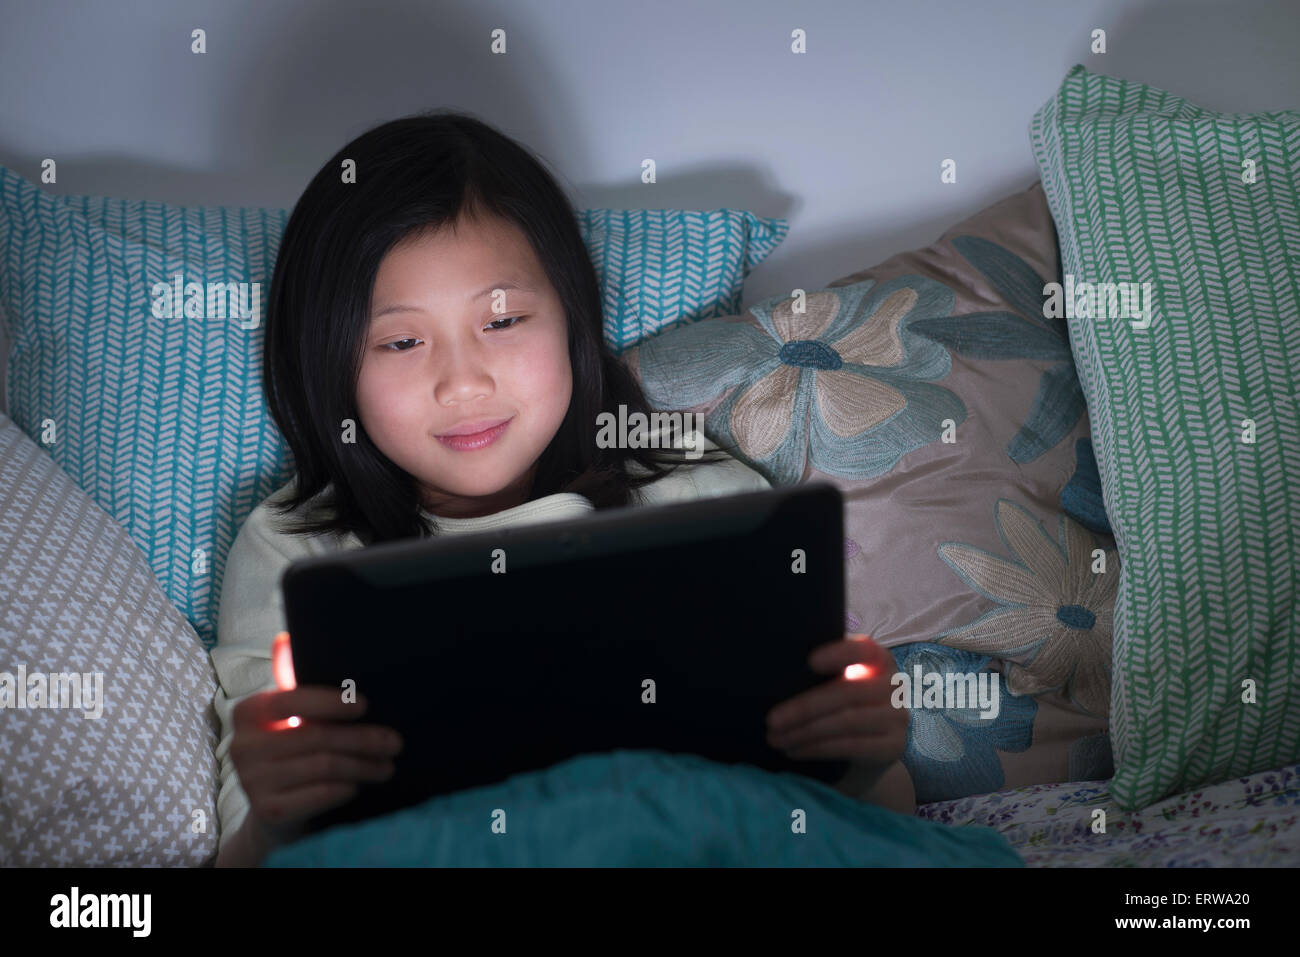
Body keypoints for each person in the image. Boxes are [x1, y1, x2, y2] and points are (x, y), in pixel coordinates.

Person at [210, 110, 912, 867]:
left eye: (504, 319)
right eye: (402, 341)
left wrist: (867, 761)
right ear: (328, 363)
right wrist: (276, 822)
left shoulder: (706, 505)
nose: (464, 380)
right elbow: (250, 846)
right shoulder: (294, 550)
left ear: (573, 321)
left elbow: (872, 817)